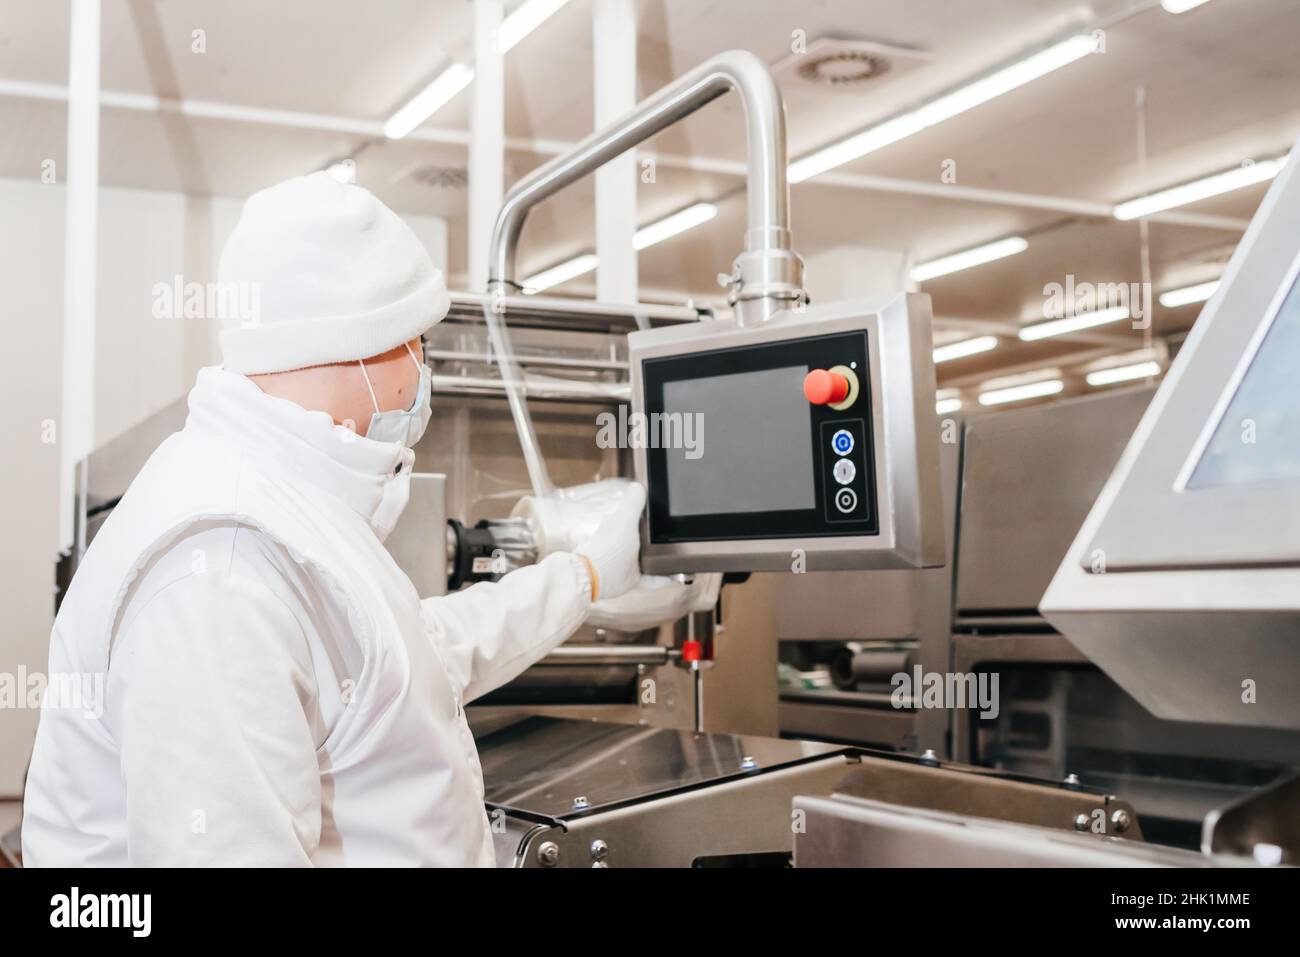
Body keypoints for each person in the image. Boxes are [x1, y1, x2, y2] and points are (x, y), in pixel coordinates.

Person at [22, 172, 645, 866]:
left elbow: (416, 654)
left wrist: (585, 574)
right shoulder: (222, 568)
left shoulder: (288, 505)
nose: (420, 367)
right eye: (419, 343)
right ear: (361, 344)